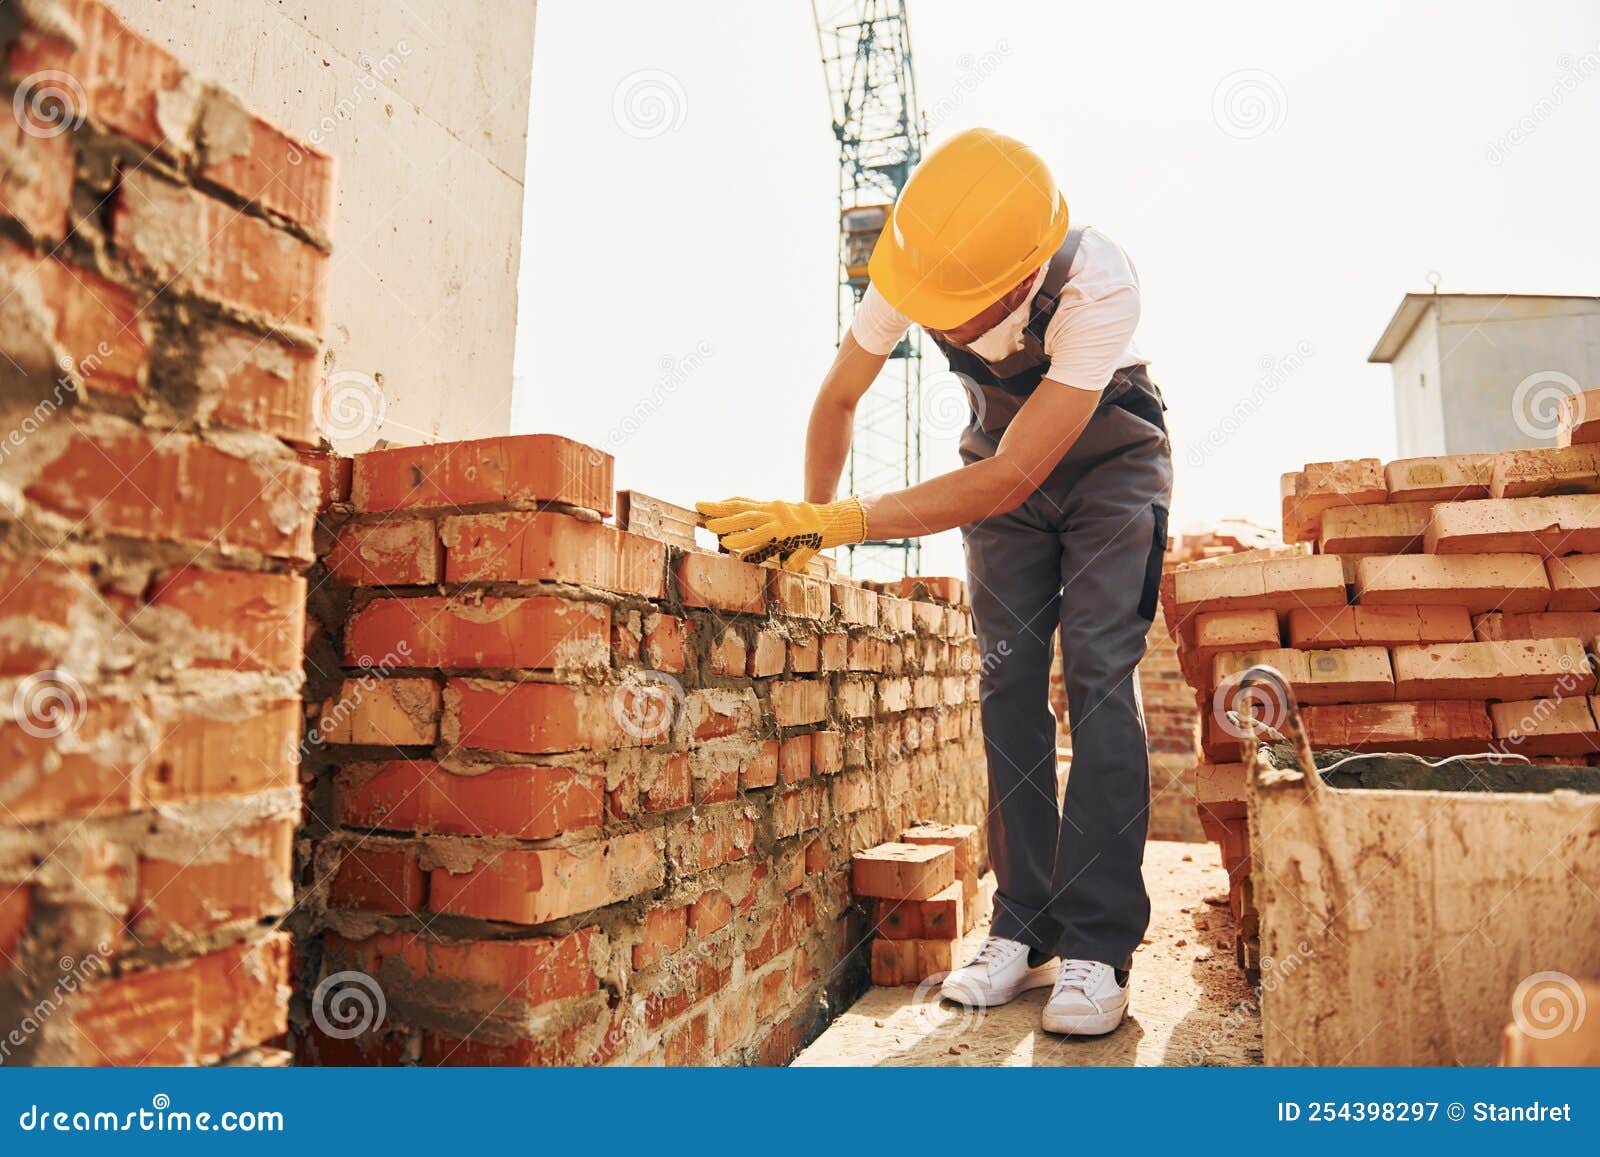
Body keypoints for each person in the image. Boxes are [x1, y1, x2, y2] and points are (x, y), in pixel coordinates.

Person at [697, 128, 1171, 1036]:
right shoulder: (915, 272)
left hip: (1108, 469)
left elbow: (1016, 475)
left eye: (957, 311)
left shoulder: (1098, 283)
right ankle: (1026, 929)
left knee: (1102, 675)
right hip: (1002, 469)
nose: (939, 325)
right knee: (1006, 682)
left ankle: (1098, 945)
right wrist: (811, 524)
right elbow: (838, 398)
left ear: (1020, 277)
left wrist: (850, 519)